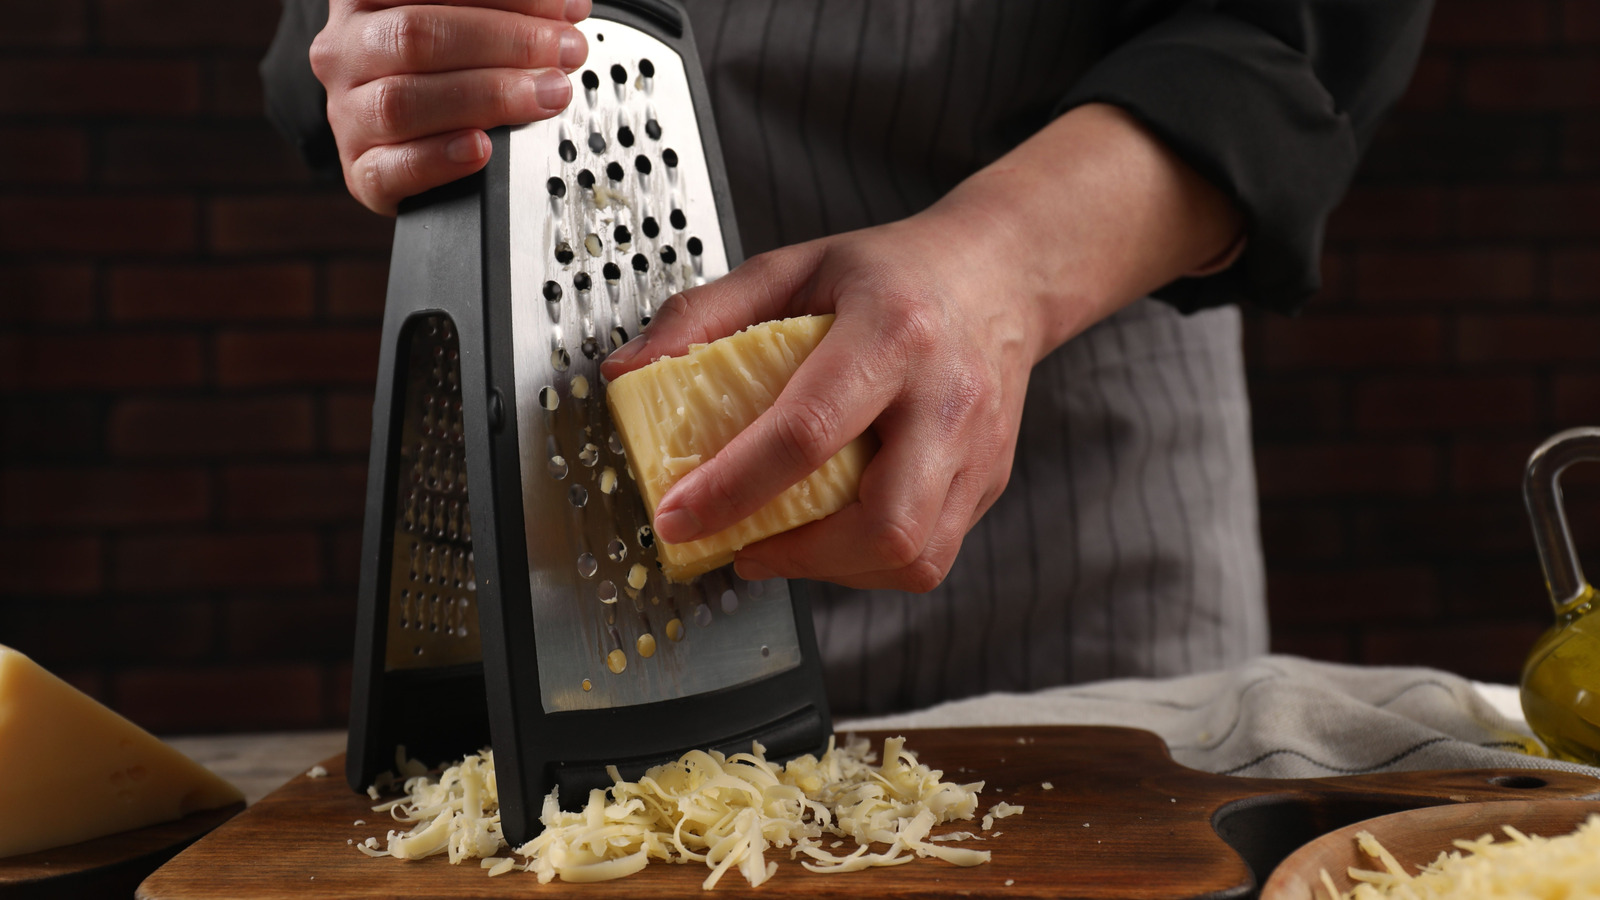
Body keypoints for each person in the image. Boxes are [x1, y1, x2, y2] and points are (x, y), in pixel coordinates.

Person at [262, 0, 1433, 714]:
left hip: (1064, 557)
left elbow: (1280, 43)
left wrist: (999, 274)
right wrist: (387, 56)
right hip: (578, 563)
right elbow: (320, 53)